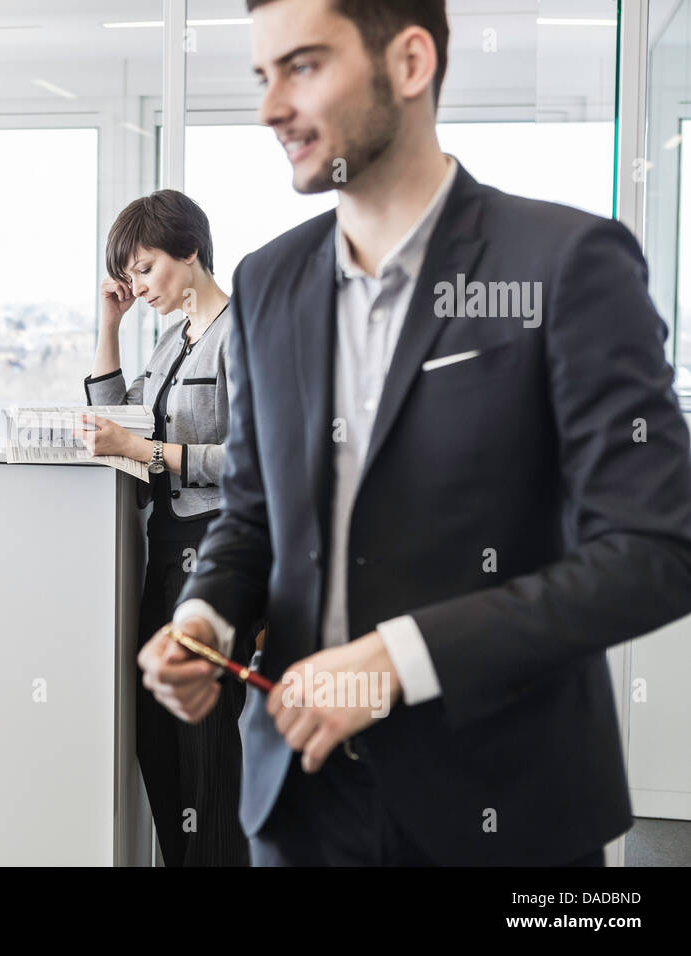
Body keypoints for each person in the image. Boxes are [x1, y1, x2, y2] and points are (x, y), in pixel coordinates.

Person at [140, 0, 691, 866]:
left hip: (502, 810)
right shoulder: (268, 282)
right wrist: (205, 616)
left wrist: (394, 662)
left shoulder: (567, 265)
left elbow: (656, 550)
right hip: (299, 805)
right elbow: (250, 515)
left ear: (409, 63)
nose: (270, 108)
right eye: (262, 76)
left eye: (304, 67)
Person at [81, 189, 256, 866]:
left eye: (146, 268)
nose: (138, 286)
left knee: (207, 751)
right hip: (166, 555)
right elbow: (121, 418)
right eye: (129, 275)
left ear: (192, 252)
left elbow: (253, 462)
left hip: (216, 553)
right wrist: (109, 326)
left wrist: (145, 454)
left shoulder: (239, 335)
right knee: (156, 739)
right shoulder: (169, 338)